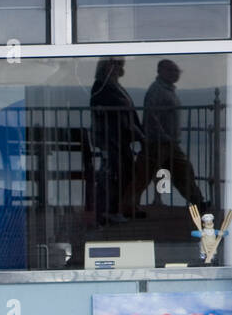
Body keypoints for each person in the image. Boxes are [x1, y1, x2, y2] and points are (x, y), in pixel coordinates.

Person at [123, 59, 210, 215]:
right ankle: (128, 207)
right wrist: (163, 136)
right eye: (171, 71)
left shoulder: (166, 90)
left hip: (168, 142)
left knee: (182, 171)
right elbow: (152, 116)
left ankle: (198, 202)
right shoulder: (157, 91)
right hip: (158, 142)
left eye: (176, 71)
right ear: (161, 71)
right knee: (144, 175)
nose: (175, 74)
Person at [89, 57, 141, 226]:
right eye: (117, 64)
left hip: (119, 136)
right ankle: (108, 211)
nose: (120, 68)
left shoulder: (113, 85)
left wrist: (135, 130)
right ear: (108, 67)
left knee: (123, 172)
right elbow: (110, 109)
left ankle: (115, 208)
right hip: (110, 137)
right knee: (113, 173)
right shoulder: (102, 86)